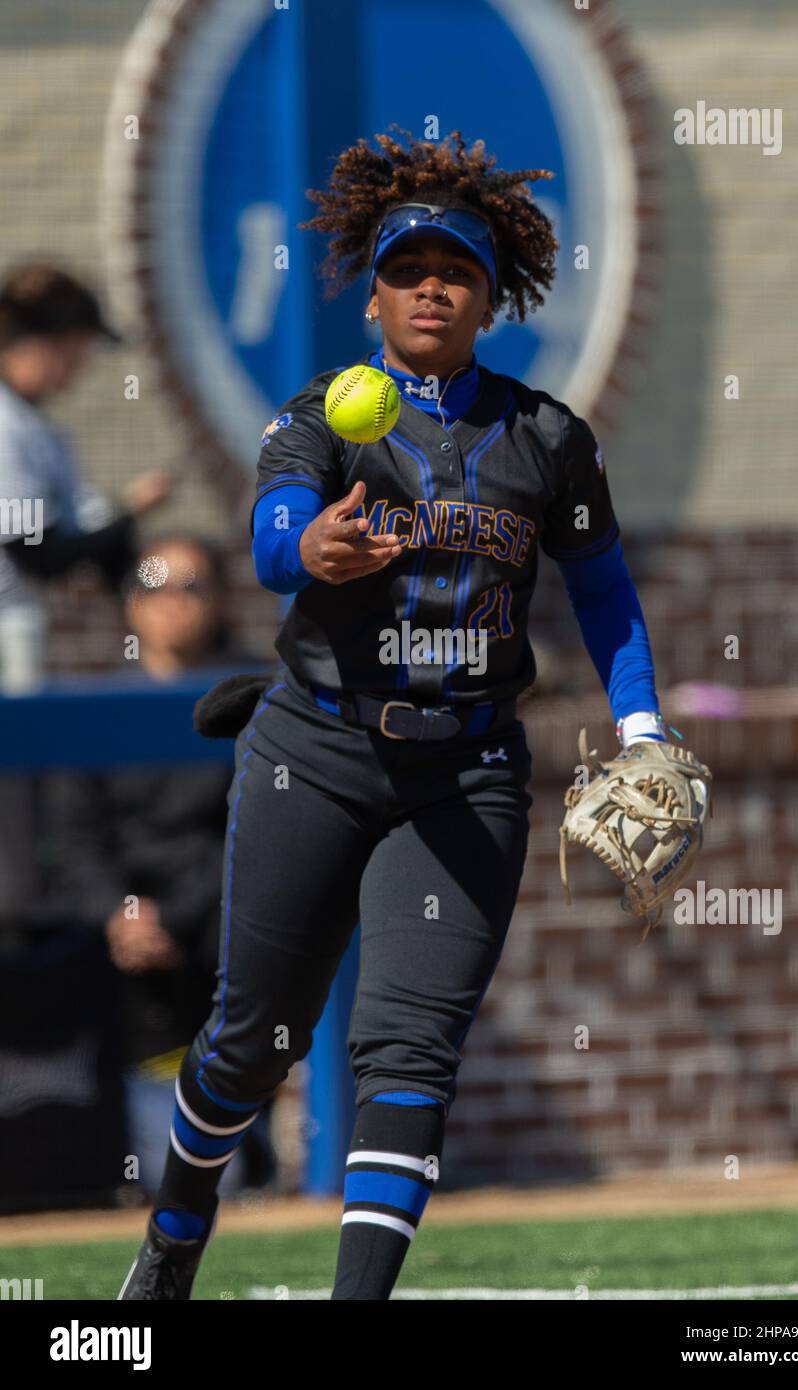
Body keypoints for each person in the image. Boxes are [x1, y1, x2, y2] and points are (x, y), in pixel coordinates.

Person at [118, 128, 670, 1301]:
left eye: (456, 270)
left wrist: (644, 731)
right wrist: (308, 546)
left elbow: (605, 594)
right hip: (314, 751)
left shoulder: (546, 439)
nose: (431, 284)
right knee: (249, 1041)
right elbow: (274, 530)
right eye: (408, 266)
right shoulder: (322, 416)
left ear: (491, 298)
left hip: (463, 770)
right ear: (372, 295)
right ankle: (173, 1235)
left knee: (408, 1050)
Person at [42, 535, 275, 1200]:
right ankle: (143, 1178)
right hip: (120, 937)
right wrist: (121, 914)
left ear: (222, 598)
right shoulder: (97, 703)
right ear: (129, 604)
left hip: (223, 923)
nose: (171, 602)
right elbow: (75, 835)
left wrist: (172, 915)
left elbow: (254, 832)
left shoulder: (255, 697)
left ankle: (253, 1169)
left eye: (191, 586)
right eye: (153, 585)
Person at [0, 262, 173, 693]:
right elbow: (38, 554)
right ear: (46, 343)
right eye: (79, 349)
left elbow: (78, 538)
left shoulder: (33, 425)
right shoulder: (6, 424)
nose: (82, 367)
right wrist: (129, 513)